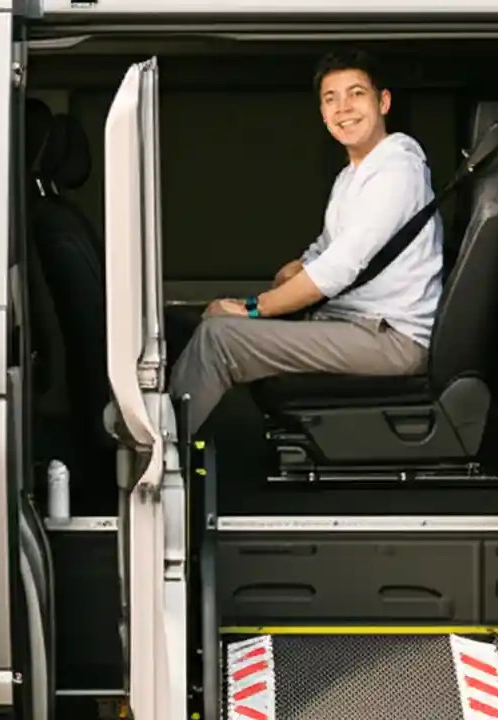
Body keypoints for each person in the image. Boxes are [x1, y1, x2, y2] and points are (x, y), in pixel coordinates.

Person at [169, 50, 444, 436]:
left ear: (383, 102)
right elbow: (330, 246)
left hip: (391, 338)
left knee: (220, 338)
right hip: (355, 324)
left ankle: (151, 461)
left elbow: (339, 267)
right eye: (331, 99)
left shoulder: (396, 172)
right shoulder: (355, 173)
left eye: (356, 94)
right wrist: (301, 264)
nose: (343, 108)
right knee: (192, 322)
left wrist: (253, 309)